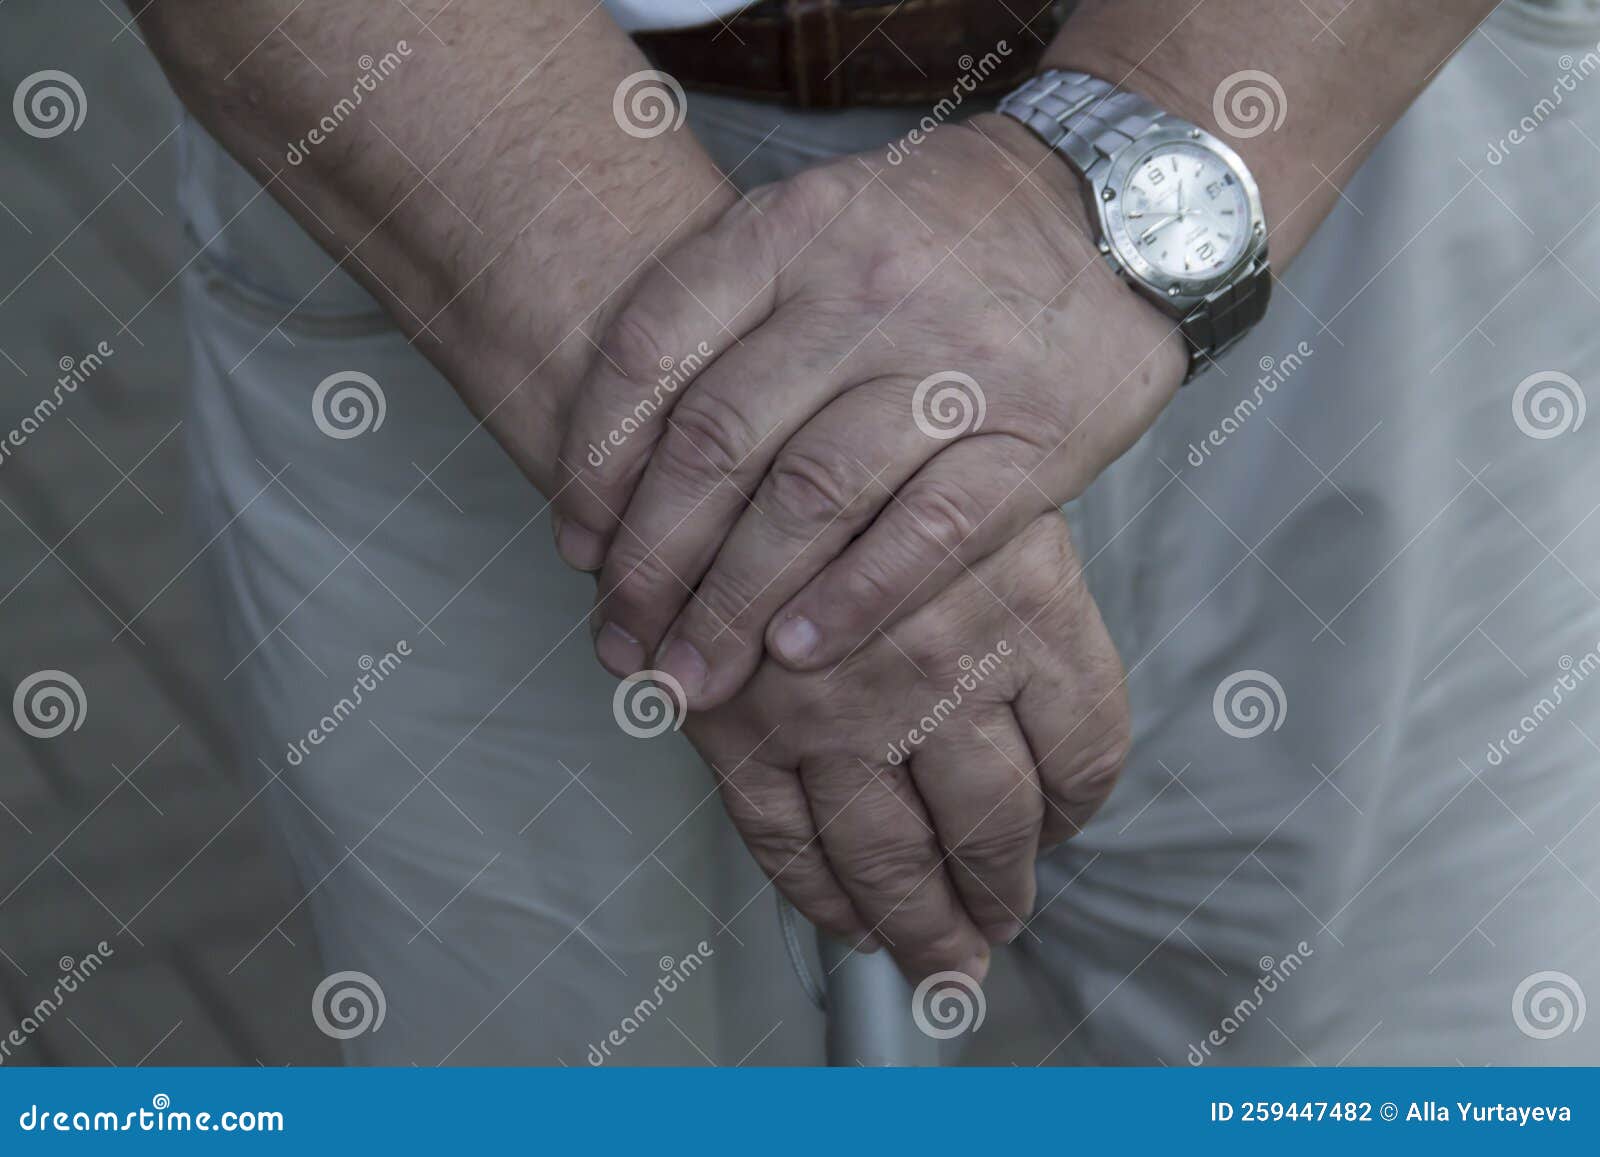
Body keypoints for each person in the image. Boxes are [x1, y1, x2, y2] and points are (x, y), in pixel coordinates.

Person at [136, 0, 1600, 1064]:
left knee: (1410, 1071)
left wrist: (1119, 183)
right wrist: (730, 419)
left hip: (1349, 103)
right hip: (434, 148)